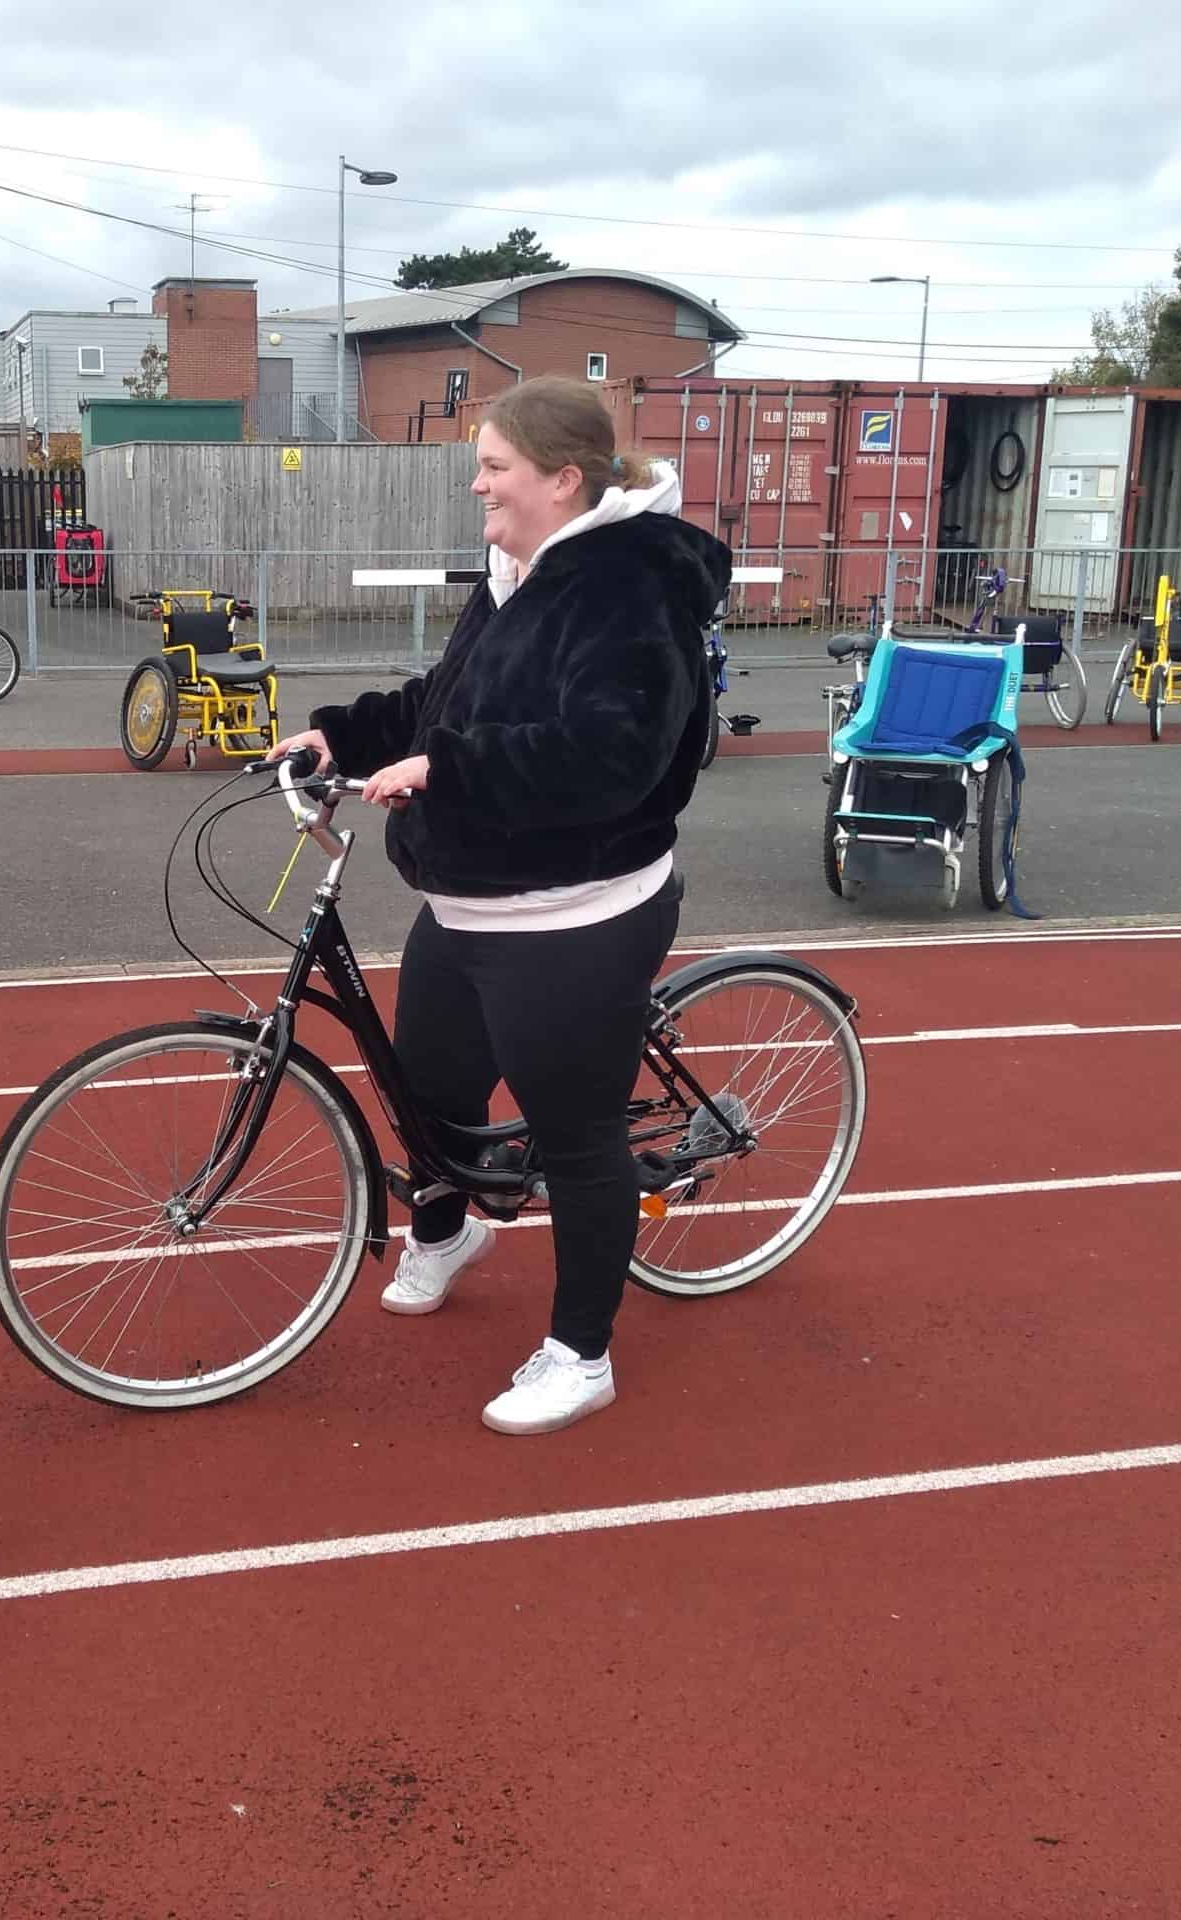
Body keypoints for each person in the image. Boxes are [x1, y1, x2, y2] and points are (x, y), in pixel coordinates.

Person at [271, 375, 731, 1436]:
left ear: (563, 480)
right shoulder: (518, 569)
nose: (475, 483)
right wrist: (343, 733)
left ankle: (582, 1353)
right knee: (429, 1099)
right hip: (467, 901)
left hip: (574, 914)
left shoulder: (624, 587)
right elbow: (446, 705)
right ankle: (447, 1235)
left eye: (493, 467)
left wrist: (449, 770)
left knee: (578, 1145)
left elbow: (615, 754)